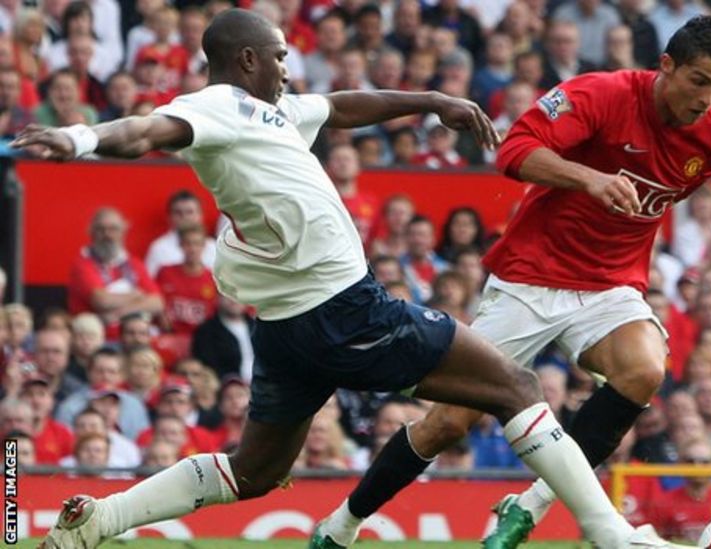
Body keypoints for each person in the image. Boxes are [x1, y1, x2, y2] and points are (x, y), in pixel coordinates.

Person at [18, 9, 662, 549]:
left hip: (287, 327)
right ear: (246, 59)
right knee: (515, 386)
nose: (286, 68)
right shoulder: (214, 107)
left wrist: (432, 101)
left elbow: (340, 107)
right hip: (345, 310)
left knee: (254, 472)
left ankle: (99, 520)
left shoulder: (270, 111)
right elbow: (147, 130)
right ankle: (610, 534)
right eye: (278, 57)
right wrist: (80, 138)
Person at [316, 14, 711, 549]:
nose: (707, 99)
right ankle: (342, 524)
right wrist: (589, 179)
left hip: (609, 286)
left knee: (644, 370)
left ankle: (530, 505)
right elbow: (514, 149)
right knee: (448, 424)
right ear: (666, 65)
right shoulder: (601, 94)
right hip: (531, 279)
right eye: (698, 81)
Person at [69, 208, 163, 340]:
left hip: (134, 338)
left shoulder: (134, 263)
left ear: (123, 231)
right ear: (91, 232)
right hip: (97, 340)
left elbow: (157, 303)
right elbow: (101, 301)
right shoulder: (83, 263)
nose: (107, 235)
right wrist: (136, 295)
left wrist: (118, 314)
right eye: (101, 229)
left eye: (113, 229)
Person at [144, 190, 217, 277]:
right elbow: (150, 281)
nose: (184, 217)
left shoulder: (214, 248)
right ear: (169, 216)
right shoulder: (159, 248)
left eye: (189, 212)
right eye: (178, 213)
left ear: (200, 215)